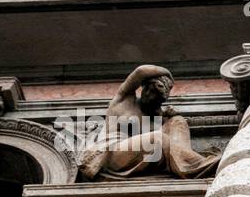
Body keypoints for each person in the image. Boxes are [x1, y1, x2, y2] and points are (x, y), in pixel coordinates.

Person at [78, 64, 220, 180]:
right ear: (144, 87)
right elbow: (140, 71)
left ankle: (188, 163)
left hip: (142, 155)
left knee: (177, 121)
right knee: (157, 139)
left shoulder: (156, 117)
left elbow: (170, 130)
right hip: (113, 154)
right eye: (149, 90)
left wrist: (169, 117)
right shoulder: (123, 100)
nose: (149, 96)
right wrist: (169, 76)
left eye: (156, 97)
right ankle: (200, 166)